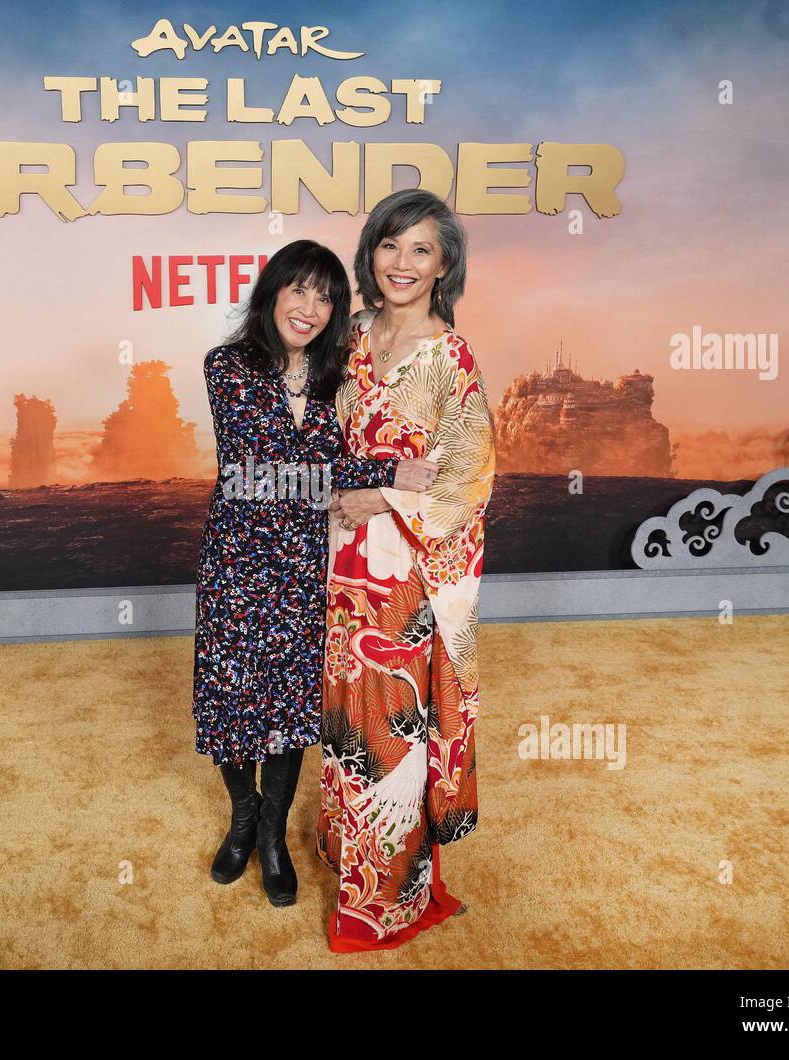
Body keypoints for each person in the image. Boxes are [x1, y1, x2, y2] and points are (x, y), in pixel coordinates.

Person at [192, 238, 439, 907]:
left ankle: (272, 835)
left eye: (326, 297)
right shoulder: (229, 367)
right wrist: (385, 472)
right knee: (231, 698)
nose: (309, 307)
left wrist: (385, 473)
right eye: (298, 289)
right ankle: (243, 815)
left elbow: (315, 475)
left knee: (292, 705)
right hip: (239, 566)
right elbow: (266, 472)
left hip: (306, 566)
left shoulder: (335, 381)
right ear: (272, 292)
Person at [319, 189, 496, 950]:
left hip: (407, 567)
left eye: (421, 249)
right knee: (343, 715)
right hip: (338, 555)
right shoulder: (349, 335)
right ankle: (351, 861)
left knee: (392, 723)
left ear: (444, 265)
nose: (402, 262)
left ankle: (387, 898)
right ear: (371, 254)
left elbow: (466, 478)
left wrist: (382, 495)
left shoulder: (450, 358)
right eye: (389, 245)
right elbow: (313, 432)